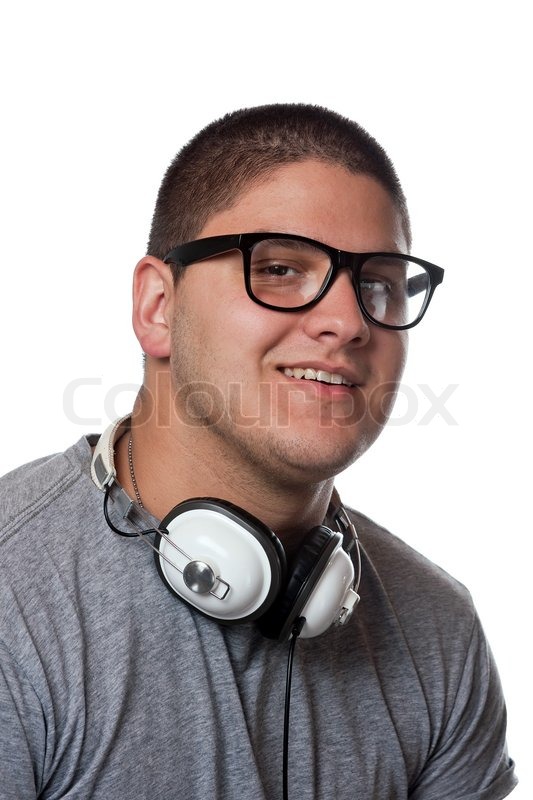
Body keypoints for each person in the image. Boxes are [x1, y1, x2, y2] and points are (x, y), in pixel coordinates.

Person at [0, 104, 517, 800]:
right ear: (158, 307)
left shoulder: (438, 633)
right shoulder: (14, 602)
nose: (346, 322)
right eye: (278, 268)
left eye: (377, 285)